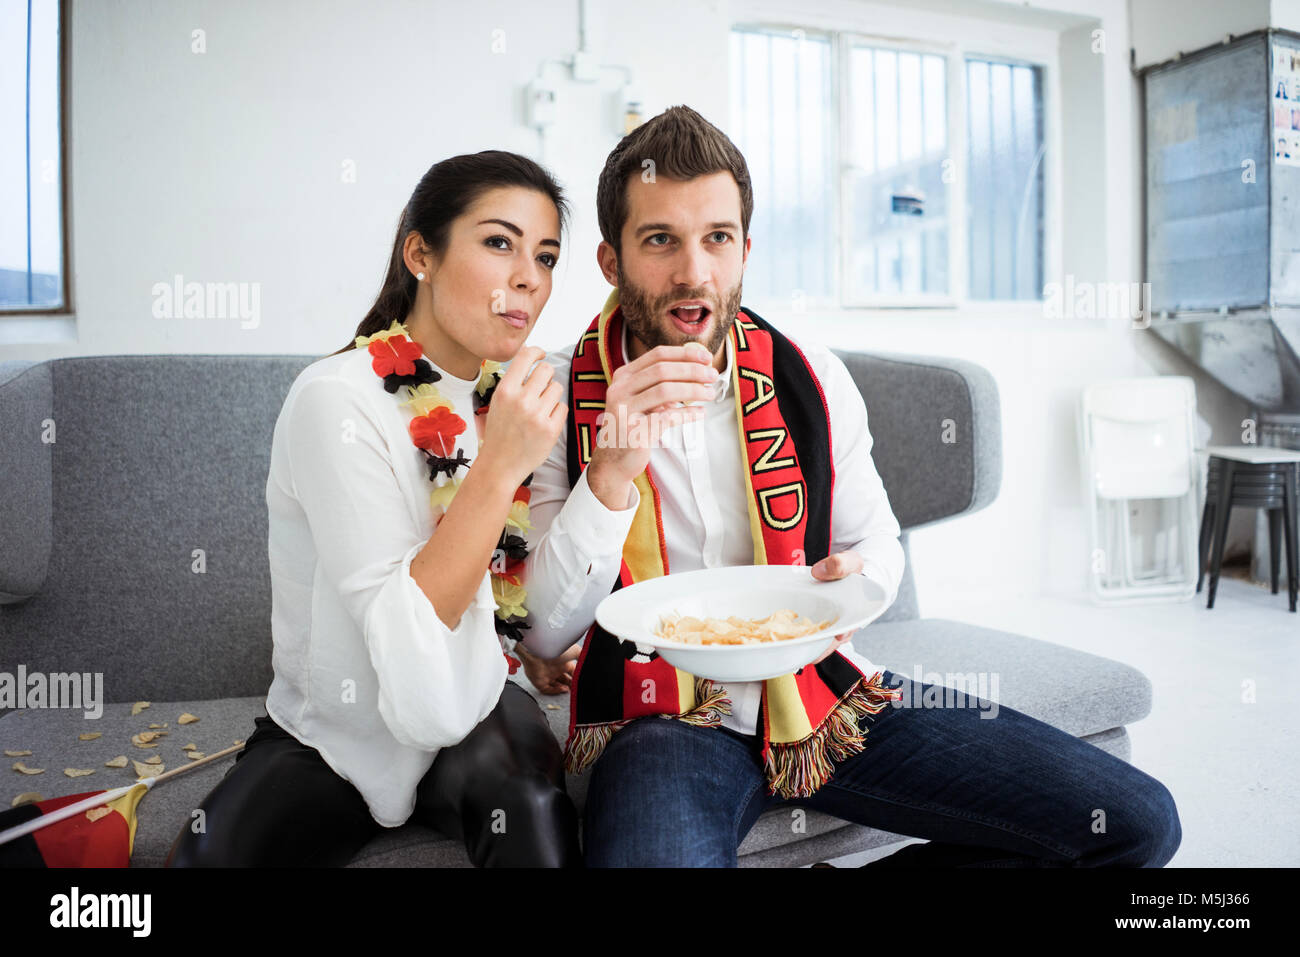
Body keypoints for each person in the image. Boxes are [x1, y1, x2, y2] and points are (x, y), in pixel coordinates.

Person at [521, 106, 1183, 867]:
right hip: (662, 718)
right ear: (611, 262)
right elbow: (543, 632)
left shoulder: (812, 377)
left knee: (1137, 823)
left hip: (821, 691)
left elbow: (875, 549)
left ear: (745, 250)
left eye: (718, 238)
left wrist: (853, 579)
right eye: (660, 240)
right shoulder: (562, 393)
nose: (693, 272)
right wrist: (608, 472)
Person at [167, 151, 581, 867]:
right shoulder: (337, 401)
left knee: (534, 811)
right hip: (335, 734)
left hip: (475, 704)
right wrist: (500, 463)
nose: (528, 277)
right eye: (498, 242)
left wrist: (527, 639)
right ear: (420, 252)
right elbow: (414, 671)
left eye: (545, 256)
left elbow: (517, 607)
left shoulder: (510, 397)